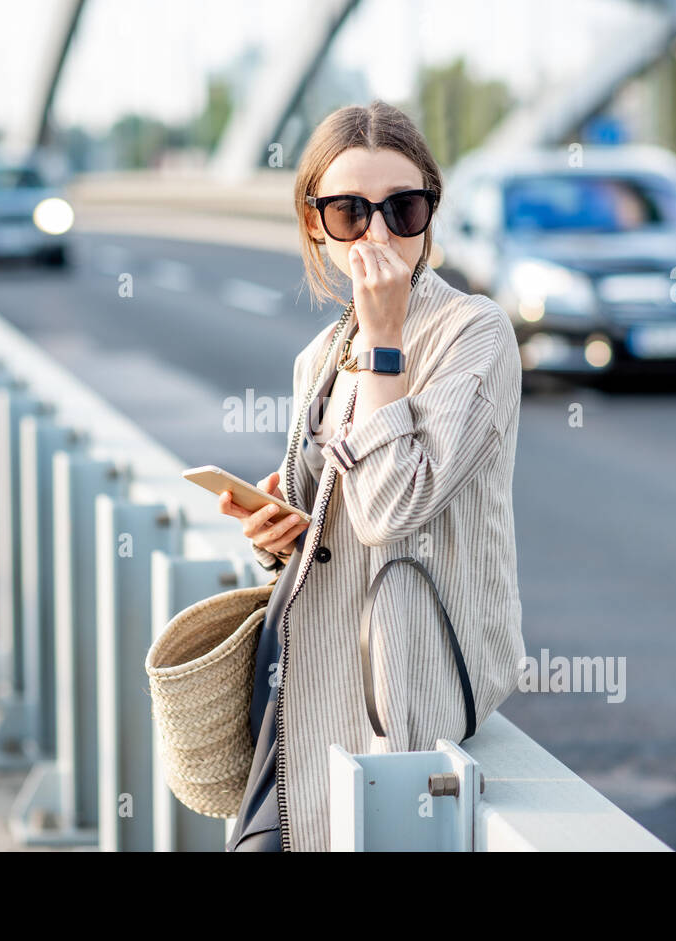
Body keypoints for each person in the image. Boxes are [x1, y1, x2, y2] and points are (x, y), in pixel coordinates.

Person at [218, 100, 525, 852]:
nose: (380, 233)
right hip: (299, 684)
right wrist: (279, 530)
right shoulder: (321, 353)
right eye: (351, 211)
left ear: (431, 214)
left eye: (404, 208)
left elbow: (391, 509)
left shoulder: (473, 335)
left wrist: (385, 341)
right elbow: (337, 522)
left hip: (397, 699)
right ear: (315, 221)